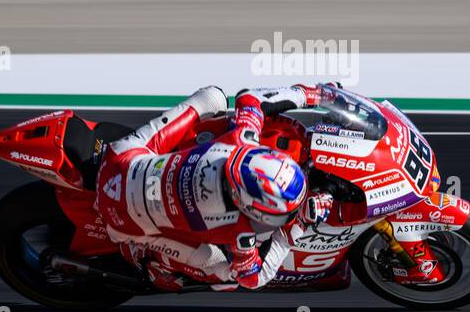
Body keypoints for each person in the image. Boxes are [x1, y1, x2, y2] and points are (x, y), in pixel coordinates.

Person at [94, 84, 334, 291]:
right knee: (225, 276)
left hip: (120, 159)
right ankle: (146, 258)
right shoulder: (239, 232)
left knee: (214, 96)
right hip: (124, 224)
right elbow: (253, 278)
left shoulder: (239, 139)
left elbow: (249, 98)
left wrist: (308, 94)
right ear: (252, 209)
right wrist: (295, 228)